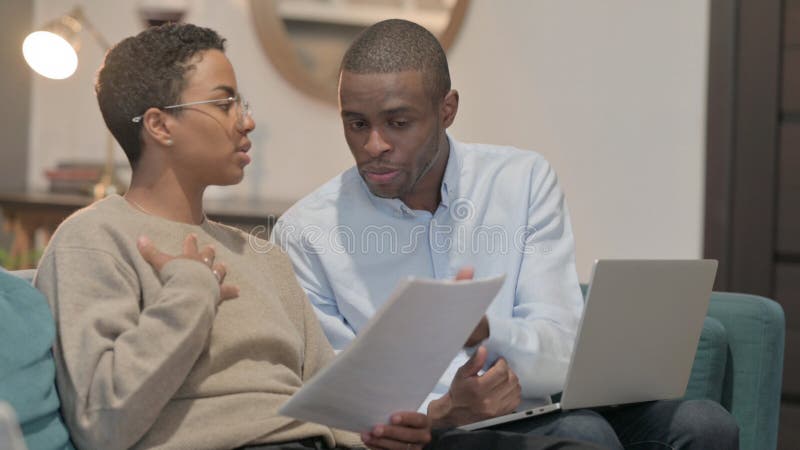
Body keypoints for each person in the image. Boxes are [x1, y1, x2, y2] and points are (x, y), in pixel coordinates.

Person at [33, 22, 599, 450]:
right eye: (225, 103)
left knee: (614, 428)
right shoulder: (94, 238)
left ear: (446, 111)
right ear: (159, 125)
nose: (247, 120)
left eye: (241, 103)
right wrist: (188, 293)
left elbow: (339, 402)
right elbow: (103, 424)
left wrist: (427, 419)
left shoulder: (261, 255)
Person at [271, 19, 740, 450]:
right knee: (584, 435)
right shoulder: (307, 233)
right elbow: (333, 398)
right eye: (356, 124)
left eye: (398, 123)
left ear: (447, 109)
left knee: (705, 424)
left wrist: (487, 331)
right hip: (428, 432)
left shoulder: (522, 181)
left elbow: (560, 347)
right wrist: (441, 413)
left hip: (536, 408)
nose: (374, 145)